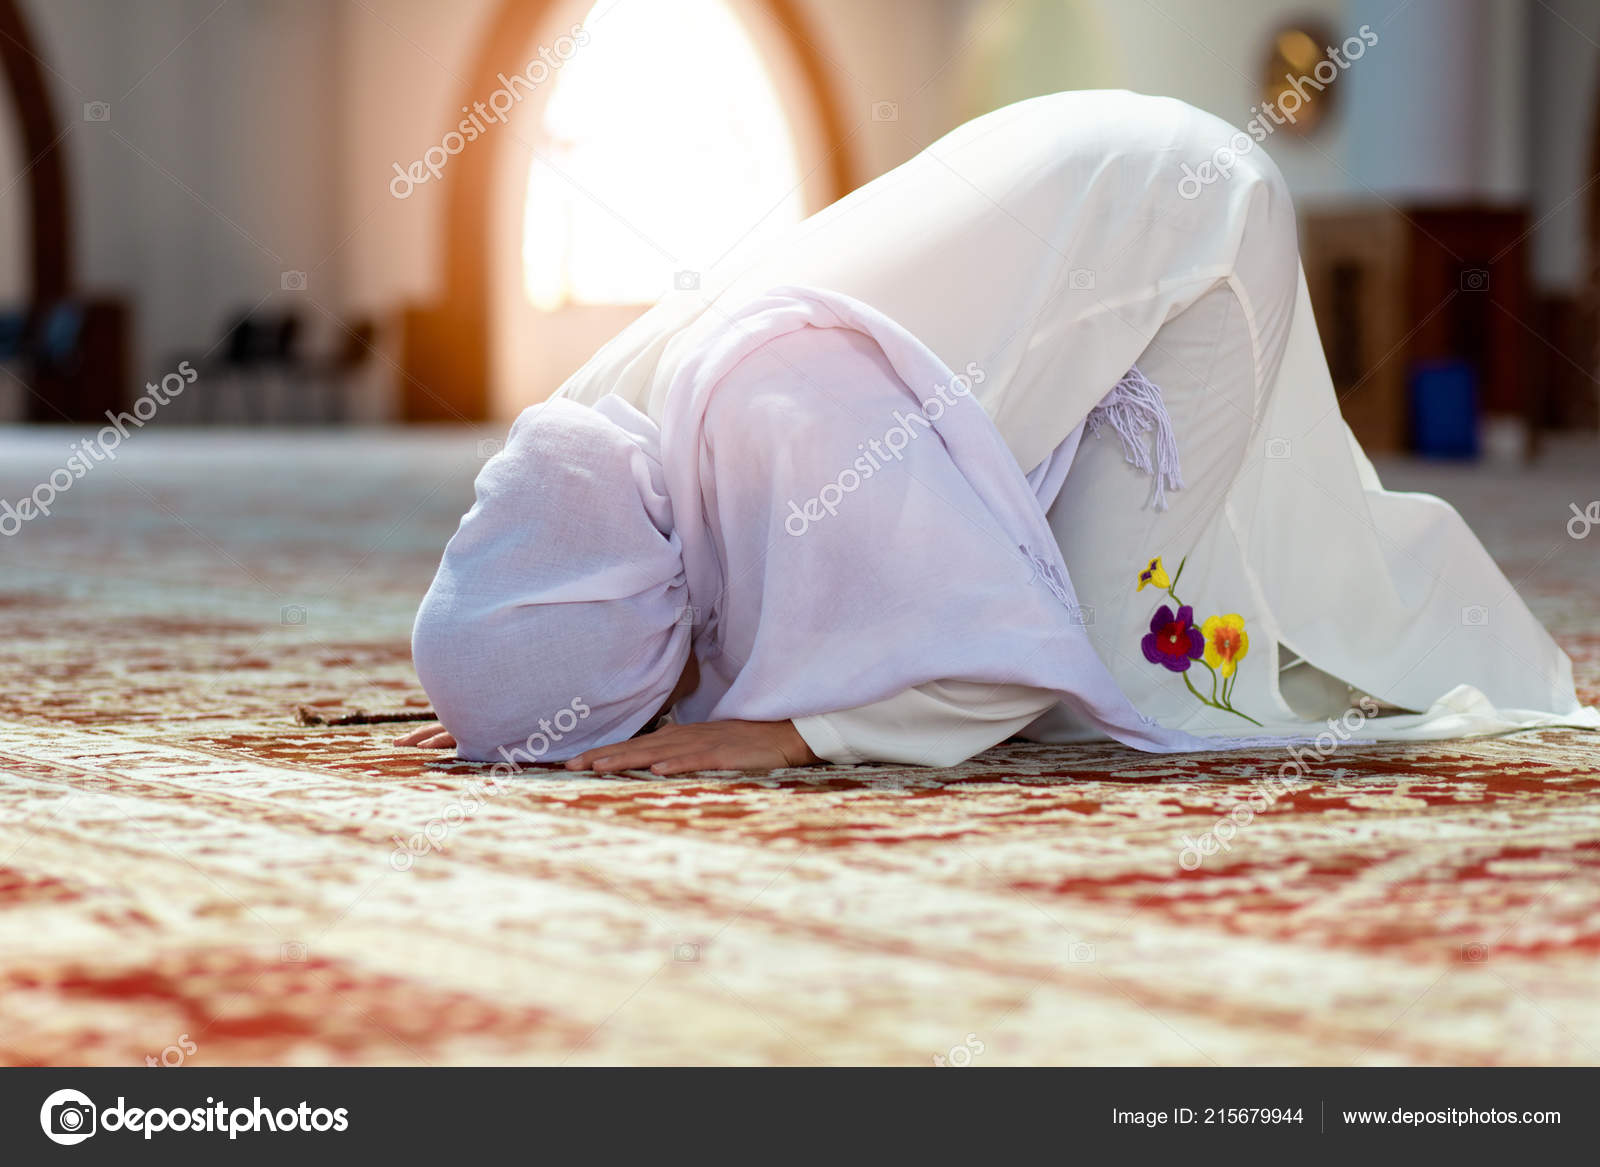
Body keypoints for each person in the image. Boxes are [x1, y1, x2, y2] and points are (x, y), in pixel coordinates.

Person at [397, 90, 1597, 774]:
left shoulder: (786, 421)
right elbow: (577, 592)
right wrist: (520, 675)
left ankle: (1428, 648)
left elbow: (992, 666)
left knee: (1113, 667)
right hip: (1092, 172)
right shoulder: (597, 427)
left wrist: (785, 737)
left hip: (1193, 243)